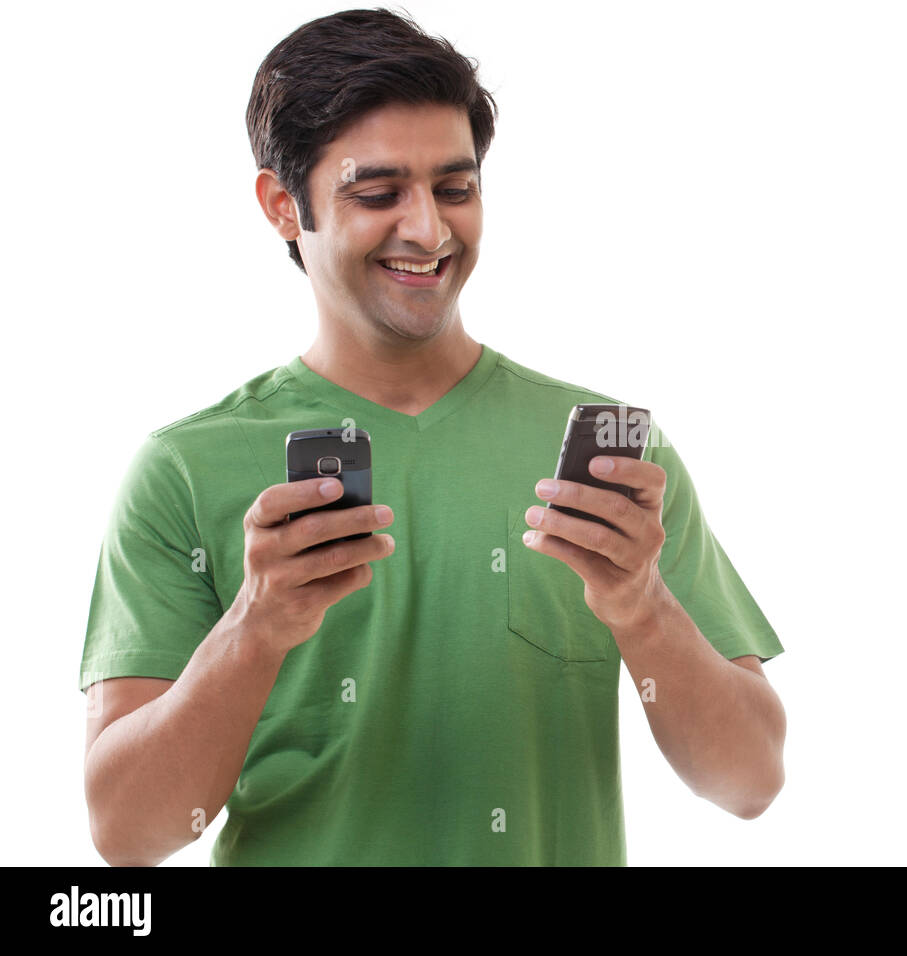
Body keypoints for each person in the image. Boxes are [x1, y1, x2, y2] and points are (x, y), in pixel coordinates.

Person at [80, 7, 786, 866]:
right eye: (378, 194)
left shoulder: (607, 463)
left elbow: (749, 782)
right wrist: (256, 631)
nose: (429, 230)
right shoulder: (184, 472)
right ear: (280, 205)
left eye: (455, 188)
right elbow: (128, 836)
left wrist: (642, 607)